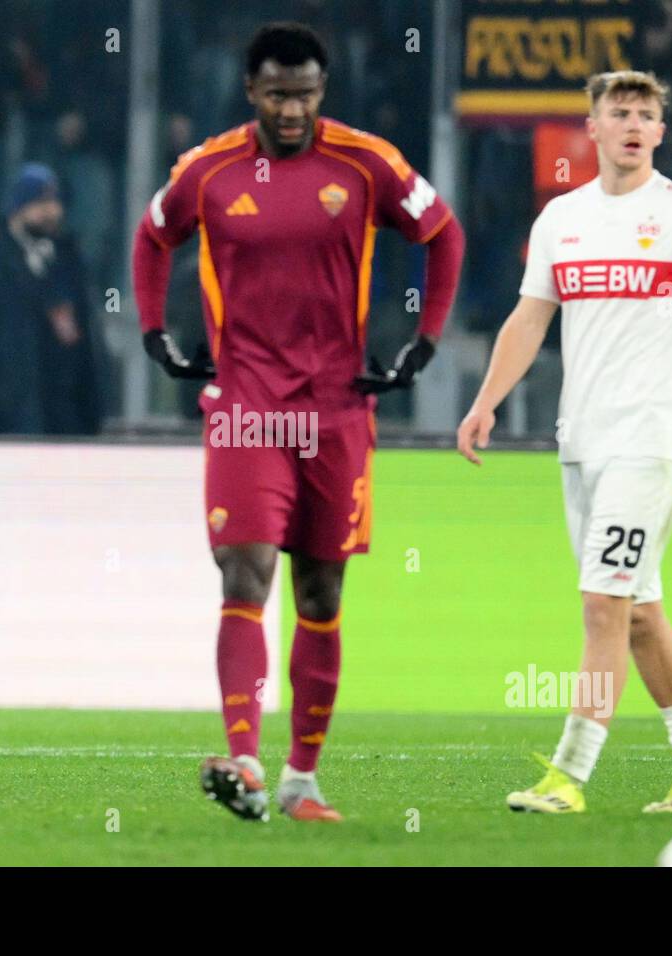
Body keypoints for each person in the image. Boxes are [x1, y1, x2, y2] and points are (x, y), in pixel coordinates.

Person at [132, 22, 465, 822]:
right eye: (278, 94)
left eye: (306, 94)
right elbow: (153, 235)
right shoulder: (206, 170)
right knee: (244, 573)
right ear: (252, 91)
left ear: (323, 90)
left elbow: (443, 234)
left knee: (320, 592)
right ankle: (244, 761)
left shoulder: (367, 162)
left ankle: (300, 779)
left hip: (337, 412)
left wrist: (425, 343)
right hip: (245, 407)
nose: (293, 109)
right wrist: (153, 330)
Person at [456, 70, 672, 813]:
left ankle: (567, 777)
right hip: (581, 443)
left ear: (661, 133)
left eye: (648, 113)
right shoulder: (562, 220)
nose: (635, 123)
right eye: (621, 112)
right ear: (595, 127)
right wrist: (486, 402)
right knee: (638, 613)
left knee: (602, 603)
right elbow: (529, 319)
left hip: (651, 439)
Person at [0, 163, 104, 435]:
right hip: (3, 411)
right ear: (18, 208)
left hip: (62, 414)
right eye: (41, 203)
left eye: (55, 202)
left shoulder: (68, 257)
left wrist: (94, 407)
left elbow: (87, 337)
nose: (52, 211)